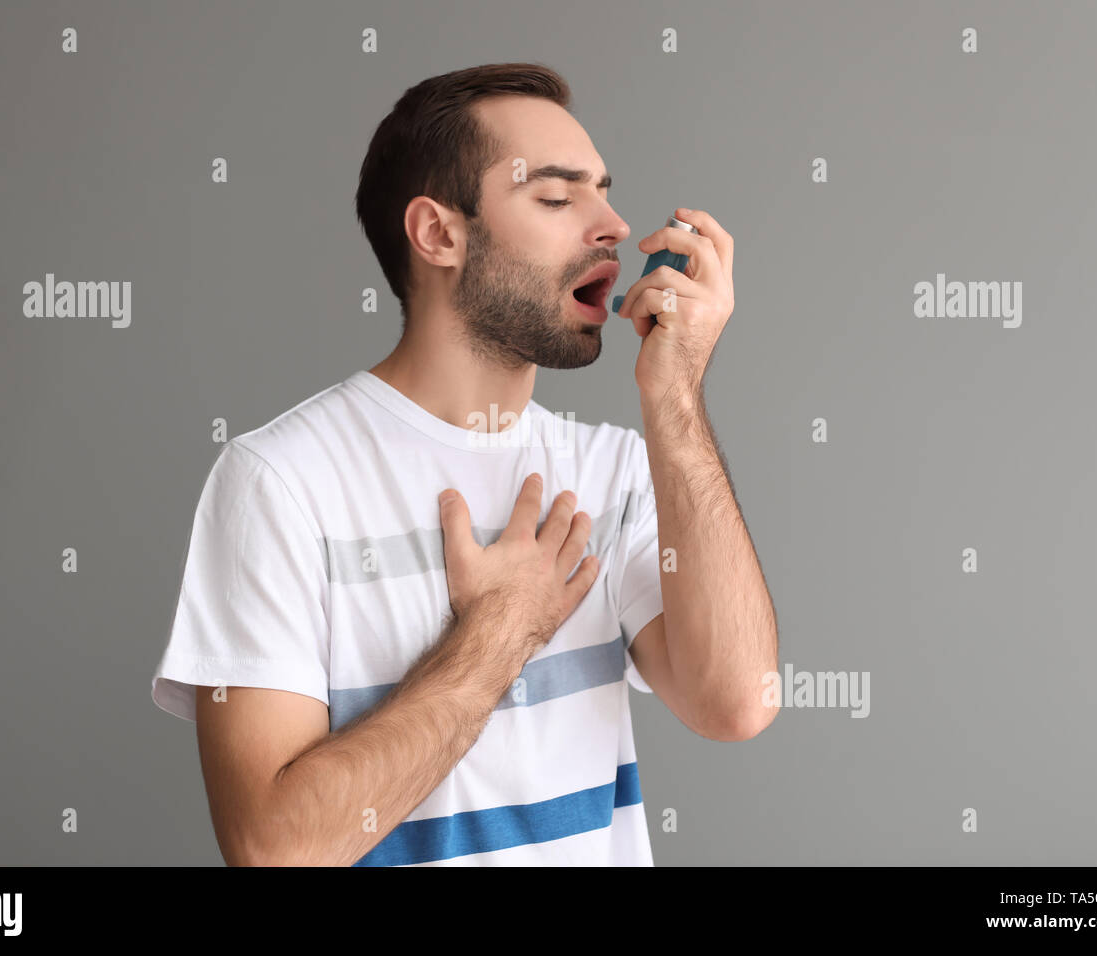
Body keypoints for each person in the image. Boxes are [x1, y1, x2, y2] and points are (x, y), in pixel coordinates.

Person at [150, 62, 779, 866]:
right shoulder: (280, 483)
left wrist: (676, 398)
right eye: (556, 197)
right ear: (439, 233)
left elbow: (737, 703)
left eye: (603, 191)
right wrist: (499, 633)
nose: (615, 225)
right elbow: (276, 849)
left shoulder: (619, 470)